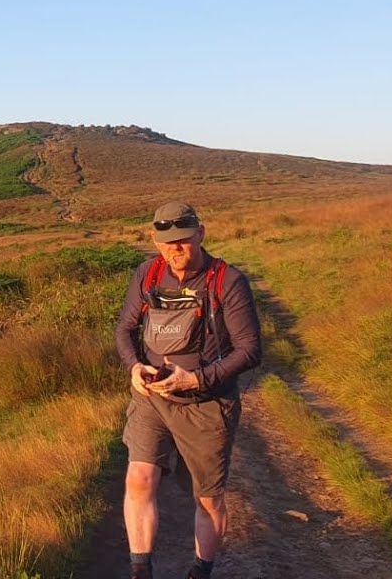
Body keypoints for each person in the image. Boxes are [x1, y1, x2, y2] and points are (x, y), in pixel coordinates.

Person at [114, 202, 261, 579]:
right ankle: (140, 570)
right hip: (152, 398)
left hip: (206, 404)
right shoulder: (147, 273)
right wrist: (134, 367)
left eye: (182, 240)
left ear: (201, 234)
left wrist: (196, 380)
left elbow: (249, 350)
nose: (175, 249)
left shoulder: (228, 281)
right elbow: (125, 329)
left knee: (207, 498)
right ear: (154, 240)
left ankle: (200, 570)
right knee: (139, 478)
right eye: (166, 242)